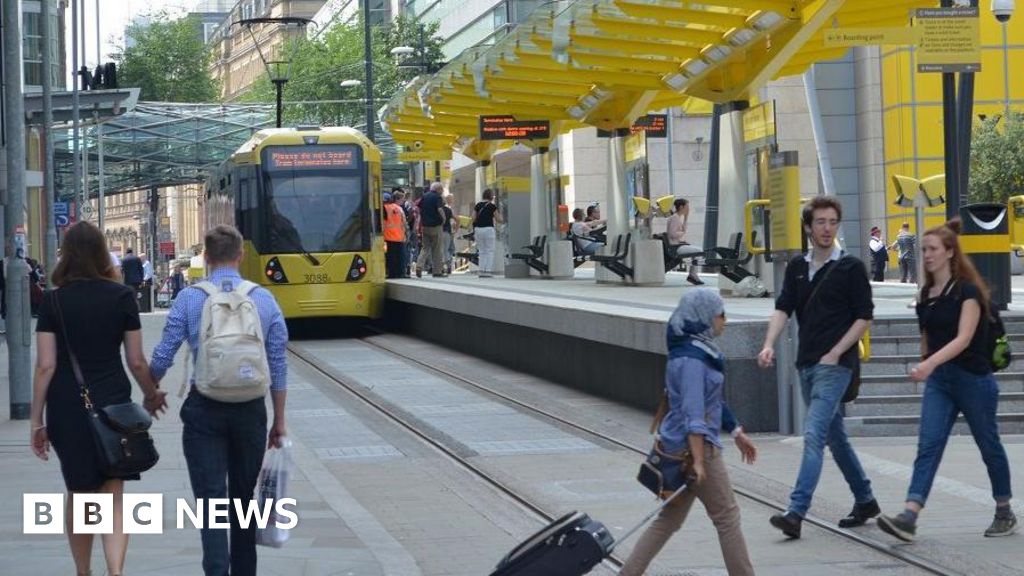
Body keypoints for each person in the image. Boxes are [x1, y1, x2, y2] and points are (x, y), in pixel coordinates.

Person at [29, 221, 167, 576]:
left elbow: (46, 365)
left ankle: (83, 571)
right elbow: (136, 361)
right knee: (113, 493)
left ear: (67, 255)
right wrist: (152, 394)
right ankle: (116, 571)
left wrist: (35, 420)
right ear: (102, 253)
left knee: (79, 492)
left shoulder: (54, 301)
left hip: (67, 408)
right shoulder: (121, 296)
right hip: (114, 408)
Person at [150, 225, 289, 576]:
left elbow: (163, 355)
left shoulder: (190, 298)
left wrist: (150, 390)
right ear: (241, 256)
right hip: (250, 411)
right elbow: (278, 363)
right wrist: (279, 420)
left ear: (207, 258)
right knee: (244, 502)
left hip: (204, 409)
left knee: (211, 502)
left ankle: (215, 569)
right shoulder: (264, 298)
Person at [877, 221, 1016, 542]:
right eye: (924, 249)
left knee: (988, 445)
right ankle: (909, 515)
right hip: (940, 381)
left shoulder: (967, 291)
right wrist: (926, 365)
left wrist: (927, 365)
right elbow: (927, 338)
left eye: (932, 250)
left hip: (973, 379)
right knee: (928, 446)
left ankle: (1004, 509)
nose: (926, 255)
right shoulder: (926, 294)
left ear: (950, 253)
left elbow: (964, 339)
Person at [758, 196, 878, 539]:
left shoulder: (850, 267)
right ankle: (866, 500)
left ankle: (795, 512)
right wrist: (769, 344)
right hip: (807, 365)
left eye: (832, 222)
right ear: (809, 228)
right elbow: (783, 308)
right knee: (835, 437)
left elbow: (864, 316)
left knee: (813, 437)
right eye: (821, 222)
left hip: (835, 366)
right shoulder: (797, 268)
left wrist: (837, 352)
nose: (827, 229)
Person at [619, 289, 756, 576]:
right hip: (695, 448)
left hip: (683, 446)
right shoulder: (693, 359)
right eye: (720, 315)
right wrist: (698, 461)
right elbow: (694, 414)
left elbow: (712, 401)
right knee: (727, 517)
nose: (724, 321)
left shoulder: (692, 350)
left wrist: (736, 430)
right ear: (704, 317)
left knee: (669, 519)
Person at [665, 198, 705, 286]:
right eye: (687, 207)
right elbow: (672, 234)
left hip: (677, 245)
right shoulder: (675, 218)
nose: (688, 209)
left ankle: (693, 274)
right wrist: (682, 233)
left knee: (697, 251)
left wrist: (686, 218)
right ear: (681, 207)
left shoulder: (677, 217)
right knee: (699, 251)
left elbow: (681, 231)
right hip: (675, 247)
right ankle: (693, 275)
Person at [416, 182, 447, 278]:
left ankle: (419, 266)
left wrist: (419, 224)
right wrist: (444, 219)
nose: (442, 192)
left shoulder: (424, 197)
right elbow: (440, 209)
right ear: (438, 189)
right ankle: (437, 271)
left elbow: (419, 210)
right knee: (437, 249)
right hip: (435, 227)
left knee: (425, 248)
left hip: (425, 227)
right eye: (441, 190)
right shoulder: (437, 197)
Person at [473, 189, 502, 278]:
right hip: (488, 229)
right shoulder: (492, 206)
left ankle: (481, 270)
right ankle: (487, 271)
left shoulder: (478, 205)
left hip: (478, 229)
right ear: (491, 196)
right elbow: (498, 219)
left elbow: (473, 218)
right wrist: (505, 219)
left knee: (481, 251)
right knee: (489, 250)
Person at [382, 192, 408, 279]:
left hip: (388, 237)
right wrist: (405, 233)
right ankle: (401, 273)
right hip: (400, 237)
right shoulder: (399, 208)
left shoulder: (383, 208)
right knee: (400, 256)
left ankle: (391, 274)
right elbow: (404, 222)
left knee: (390, 257)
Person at [443, 194, 458, 274]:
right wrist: (455, 229)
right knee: (448, 249)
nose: (452, 200)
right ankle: (448, 266)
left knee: (448, 249)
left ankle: (447, 266)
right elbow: (456, 220)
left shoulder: (449, 208)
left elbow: (456, 220)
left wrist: (455, 229)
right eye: (450, 199)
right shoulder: (448, 209)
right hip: (448, 231)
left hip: (448, 231)